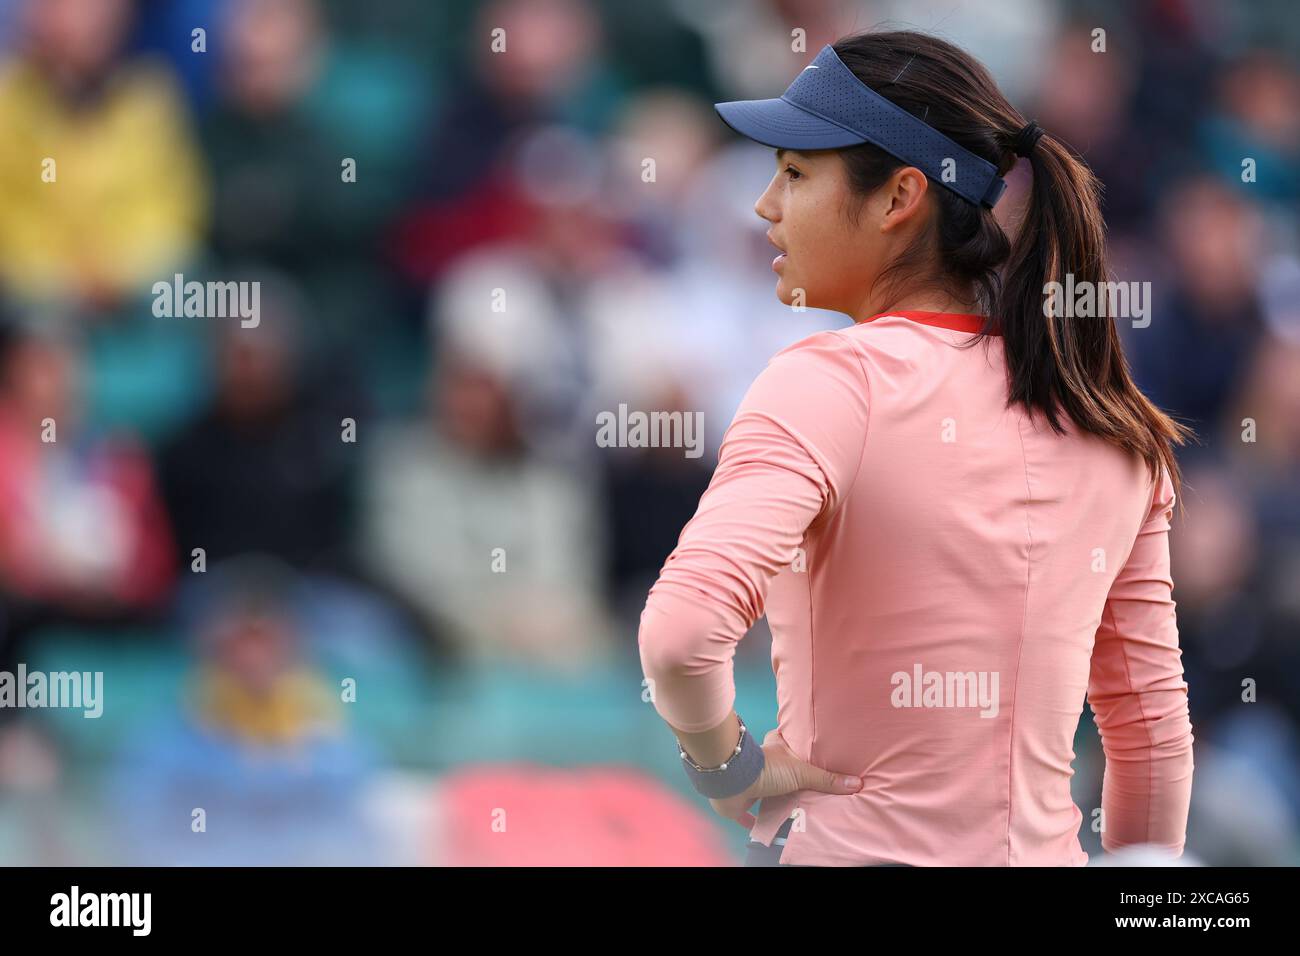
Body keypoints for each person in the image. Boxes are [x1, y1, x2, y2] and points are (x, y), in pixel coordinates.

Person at [638, 30, 1196, 867]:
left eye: (794, 173)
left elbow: (681, 637)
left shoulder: (827, 383)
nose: (766, 204)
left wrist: (730, 772)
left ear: (901, 197)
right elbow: (1149, 739)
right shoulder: (1115, 422)